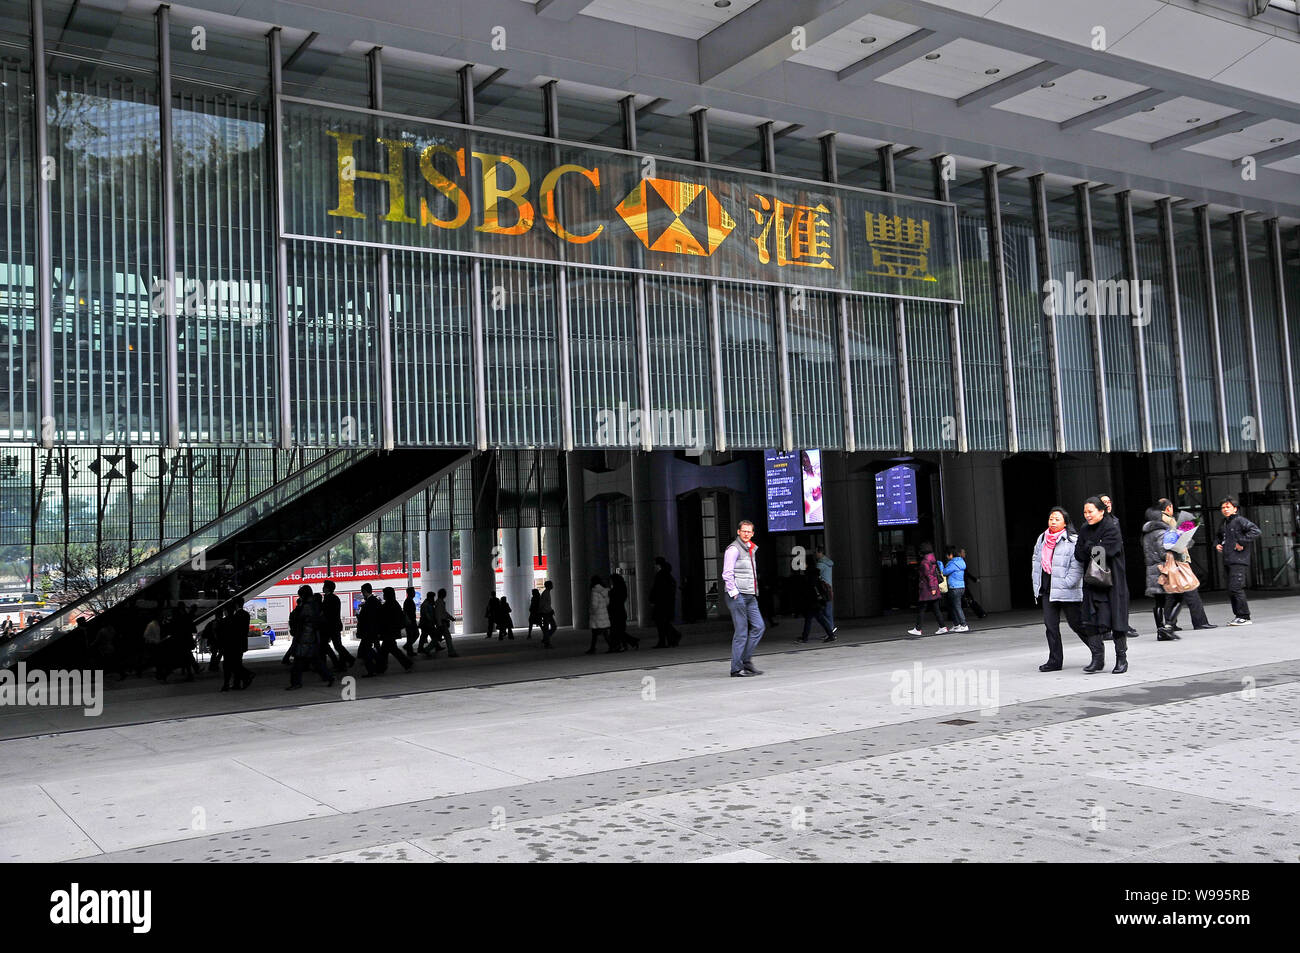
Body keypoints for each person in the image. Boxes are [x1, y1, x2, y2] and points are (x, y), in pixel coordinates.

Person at [1074, 496, 1130, 674]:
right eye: (1085, 512)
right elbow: (1078, 554)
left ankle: (1121, 659)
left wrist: (1090, 548)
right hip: (1092, 582)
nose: (1087, 515)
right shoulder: (1084, 529)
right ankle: (1097, 659)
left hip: (1112, 582)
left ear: (1101, 511)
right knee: (1090, 620)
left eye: (1090, 511)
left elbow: (1107, 552)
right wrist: (1093, 547)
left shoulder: (1111, 527)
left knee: (1116, 620)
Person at [1031, 506, 1088, 671]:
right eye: (1051, 519)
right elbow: (1036, 562)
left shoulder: (1073, 540)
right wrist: (1037, 583)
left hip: (1066, 589)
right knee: (1050, 626)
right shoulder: (1042, 538)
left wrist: (1067, 582)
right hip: (1047, 589)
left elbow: (1077, 565)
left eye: (1057, 519)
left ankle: (1096, 650)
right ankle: (1055, 661)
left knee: (1076, 624)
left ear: (1065, 522)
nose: (1053, 522)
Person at [721, 520, 765, 677]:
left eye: (749, 531)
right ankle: (736, 668)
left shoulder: (751, 548)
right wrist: (734, 593)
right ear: (738, 532)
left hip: (750, 595)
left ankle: (746, 661)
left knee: (759, 626)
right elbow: (727, 573)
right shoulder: (733, 549)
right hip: (737, 595)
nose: (746, 534)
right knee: (741, 632)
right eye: (744, 531)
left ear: (752, 533)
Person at [1142, 501, 1183, 640]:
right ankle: (1169, 626)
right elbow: (1164, 553)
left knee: (1159, 601)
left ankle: (1160, 631)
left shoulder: (1146, 533)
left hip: (1151, 570)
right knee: (1179, 597)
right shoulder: (1161, 532)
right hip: (1163, 570)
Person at [1216, 496, 1261, 625]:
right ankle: (1238, 616)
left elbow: (1256, 531)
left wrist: (1241, 541)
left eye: (1228, 507)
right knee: (1231, 589)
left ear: (1235, 509)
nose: (1225, 509)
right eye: (1223, 507)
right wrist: (1218, 544)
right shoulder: (1224, 522)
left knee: (1236, 588)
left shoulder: (1240, 520)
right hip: (1228, 559)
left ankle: (1244, 616)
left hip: (1239, 559)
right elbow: (1218, 537)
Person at [288, 585, 334, 690]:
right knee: (315, 660)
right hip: (311, 637)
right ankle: (329, 677)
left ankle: (296, 683)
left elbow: (301, 619)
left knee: (298, 661)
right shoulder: (314, 604)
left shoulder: (306, 606)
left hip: (305, 637)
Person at [907, 544, 946, 637]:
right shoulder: (933, 560)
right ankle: (942, 627)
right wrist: (934, 588)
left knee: (921, 609)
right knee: (936, 609)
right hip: (933, 587)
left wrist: (932, 588)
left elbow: (929, 576)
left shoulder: (925, 562)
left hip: (927, 589)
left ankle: (918, 629)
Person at [797, 556, 834, 643]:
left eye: (805, 563)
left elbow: (811, 588)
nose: (803, 564)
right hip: (814, 601)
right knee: (816, 618)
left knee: (811, 619)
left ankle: (805, 637)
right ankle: (830, 635)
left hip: (813, 601)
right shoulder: (814, 573)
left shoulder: (810, 574)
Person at [378, 586, 415, 673]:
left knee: (390, 650)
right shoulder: (394, 603)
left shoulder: (389, 605)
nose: (383, 595)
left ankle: (382, 667)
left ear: (387, 595)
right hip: (392, 631)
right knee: (388, 650)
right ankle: (382, 667)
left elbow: (385, 617)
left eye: (384, 594)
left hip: (389, 631)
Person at [221, 600, 254, 691]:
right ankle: (237, 683)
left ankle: (246, 675)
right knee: (237, 662)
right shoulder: (244, 615)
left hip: (232, 645)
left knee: (231, 664)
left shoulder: (233, 618)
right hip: (240, 643)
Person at [649, 557, 682, 648]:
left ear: (658, 565)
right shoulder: (668, 575)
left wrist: (652, 599)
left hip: (661, 603)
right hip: (667, 603)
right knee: (665, 623)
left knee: (661, 623)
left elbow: (656, 589)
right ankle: (671, 638)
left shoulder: (660, 575)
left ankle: (666, 640)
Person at [321, 580, 354, 670]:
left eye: (324, 586)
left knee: (337, 645)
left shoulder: (329, 599)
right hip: (334, 625)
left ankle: (348, 660)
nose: (322, 587)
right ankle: (343, 663)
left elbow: (328, 613)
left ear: (327, 588)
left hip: (332, 626)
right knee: (338, 645)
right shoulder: (333, 598)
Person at [355, 583, 384, 676]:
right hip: (371, 630)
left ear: (364, 591)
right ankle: (379, 665)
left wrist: (359, 616)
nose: (362, 593)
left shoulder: (370, 602)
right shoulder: (373, 601)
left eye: (362, 591)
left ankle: (372, 669)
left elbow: (369, 617)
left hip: (369, 630)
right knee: (366, 650)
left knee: (364, 651)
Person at [942, 545, 969, 633]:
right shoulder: (961, 561)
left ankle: (963, 625)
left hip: (954, 587)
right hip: (961, 587)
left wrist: (942, 566)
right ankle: (956, 625)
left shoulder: (952, 563)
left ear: (951, 555)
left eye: (947, 554)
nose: (946, 556)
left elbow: (945, 572)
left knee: (956, 606)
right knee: (952, 606)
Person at [609, 571, 635, 650]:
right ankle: (629, 643)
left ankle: (618, 645)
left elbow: (614, 600)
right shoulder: (622, 588)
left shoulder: (616, 589)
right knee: (619, 630)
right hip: (620, 611)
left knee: (616, 630)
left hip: (616, 612)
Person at [587, 576, 613, 654]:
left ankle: (593, 648)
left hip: (597, 616)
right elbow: (607, 602)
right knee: (603, 633)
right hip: (603, 615)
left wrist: (591, 611)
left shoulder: (594, 591)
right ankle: (593, 648)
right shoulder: (604, 591)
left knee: (596, 633)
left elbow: (594, 604)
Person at [402, 587, 421, 655]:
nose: (414, 593)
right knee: (414, 635)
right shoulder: (408, 601)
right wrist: (408, 621)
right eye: (413, 592)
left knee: (412, 636)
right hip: (410, 622)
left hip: (411, 621)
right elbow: (405, 612)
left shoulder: (409, 600)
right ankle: (408, 649)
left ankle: (409, 649)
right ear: (409, 593)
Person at [538, 580, 556, 648]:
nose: (552, 586)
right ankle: (546, 641)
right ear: (549, 586)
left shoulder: (546, 593)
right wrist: (550, 610)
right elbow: (543, 605)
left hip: (547, 612)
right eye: (551, 584)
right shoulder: (545, 593)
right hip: (546, 613)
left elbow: (545, 604)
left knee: (548, 627)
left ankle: (546, 640)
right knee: (552, 627)